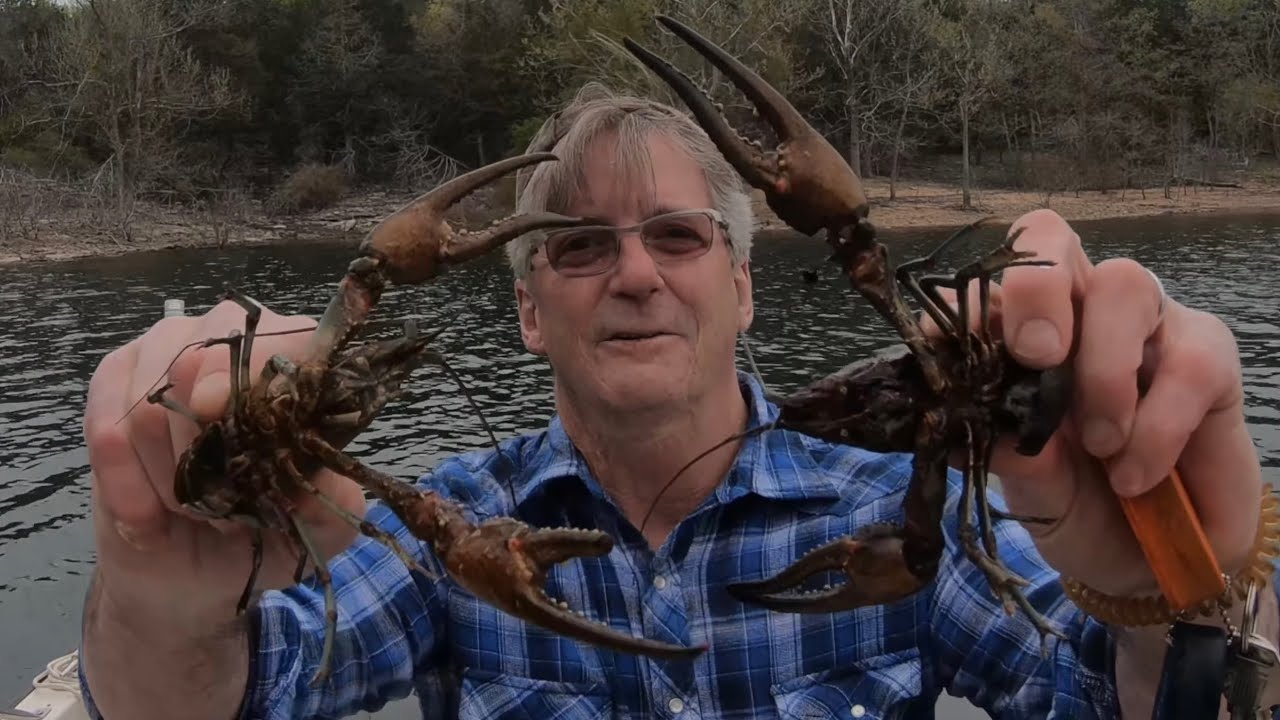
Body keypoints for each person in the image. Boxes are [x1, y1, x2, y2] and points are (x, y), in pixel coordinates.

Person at [76, 82, 1276, 720]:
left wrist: (1166, 584)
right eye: (580, 246)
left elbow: (1098, 696)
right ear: (528, 313)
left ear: (746, 288)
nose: (637, 272)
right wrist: (157, 597)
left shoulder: (906, 509)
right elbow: (234, 695)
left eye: (675, 235)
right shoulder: (444, 530)